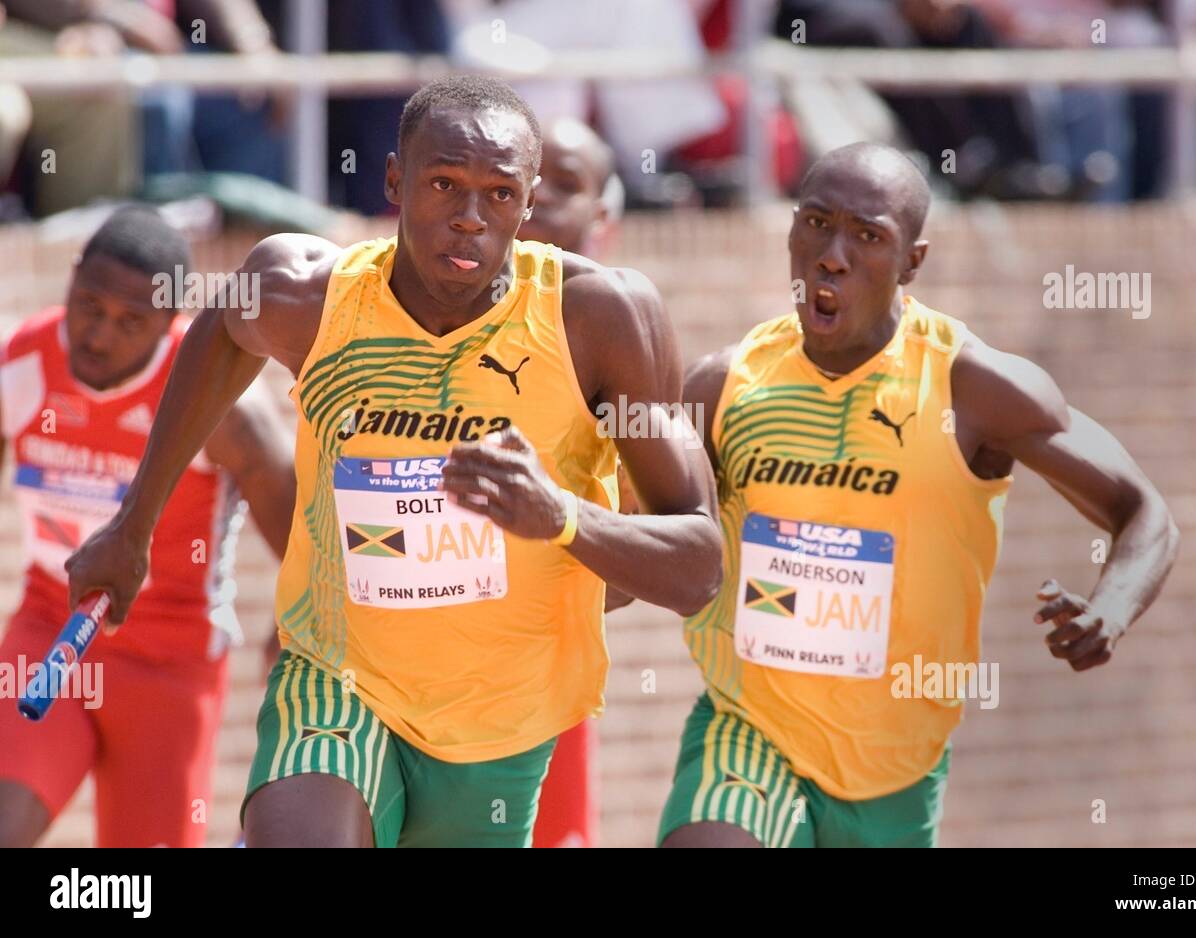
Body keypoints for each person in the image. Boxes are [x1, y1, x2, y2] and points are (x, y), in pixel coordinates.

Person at [64, 75, 723, 848]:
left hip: (498, 725)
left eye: (501, 195)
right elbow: (222, 324)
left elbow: (698, 566)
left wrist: (562, 518)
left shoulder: (603, 319)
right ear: (393, 180)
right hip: (338, 680)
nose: (470, 219)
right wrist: (132, 526)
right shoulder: (312, 295)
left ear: (529, 202)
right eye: (443, 184)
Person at [658, 143, 1180, 847]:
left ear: (913, 262)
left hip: (896, 764)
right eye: (815, 223)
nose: (832, 256)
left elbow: (1142, 511)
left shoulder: (975, 390)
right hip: (750, 731)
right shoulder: (723, 386)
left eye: (868, 236)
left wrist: (1111, 610)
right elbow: (649, 540)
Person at [0, 205, 296, 847]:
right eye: (89, 306)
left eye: (130, 322)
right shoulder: (20, 363)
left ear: (171, 326)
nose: (99, 336)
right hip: (51, 629)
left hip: (170, 660)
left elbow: (305, 535)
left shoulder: (220, 404)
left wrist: (297, 624)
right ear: (71, 280)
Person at [516, 116, 621, 849]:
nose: (544, 200)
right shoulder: (424, 306)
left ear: (603, 217)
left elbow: (669, 530)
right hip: (397, 653)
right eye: (533, 181)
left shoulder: (617, 330)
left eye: (568, 185)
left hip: (541, 664)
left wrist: (545, 599)